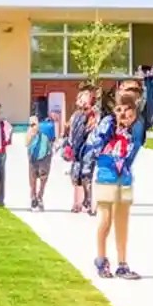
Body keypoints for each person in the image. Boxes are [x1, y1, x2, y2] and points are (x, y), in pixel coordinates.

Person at [86, 90, 144, 280]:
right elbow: (94, 145)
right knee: (105, 219)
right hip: (106, 176)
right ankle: (101, 259)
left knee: (122, 221)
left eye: (130, 115)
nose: (126, 118)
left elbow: (133, 152)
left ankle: (122, 262)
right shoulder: (107, 125)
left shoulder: (135, 130)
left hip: (124, 178)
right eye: (122, 112)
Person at [65, 85, 98, 215]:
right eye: (80, 98)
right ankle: (77, 203)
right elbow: (71, 131)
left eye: (85, 98)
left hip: (88, 149)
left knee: (86, 176)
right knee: (76, 178)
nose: (81, 101)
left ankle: (89, 203)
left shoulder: (92, 115)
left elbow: (91, 131)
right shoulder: (76, 115)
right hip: (77, 150)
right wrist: (69, 145)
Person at [27, 113, 57, 211]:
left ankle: (39, 196)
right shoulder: (30, 131)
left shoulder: (47, 128)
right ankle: (34, 197)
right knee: (34, 178)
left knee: (41, 178)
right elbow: (26, 143)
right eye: (31, 123)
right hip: (34, 156)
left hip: (44, 156)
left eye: (34, 123)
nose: (33, 125)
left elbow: (52, 140)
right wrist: (32, 133)